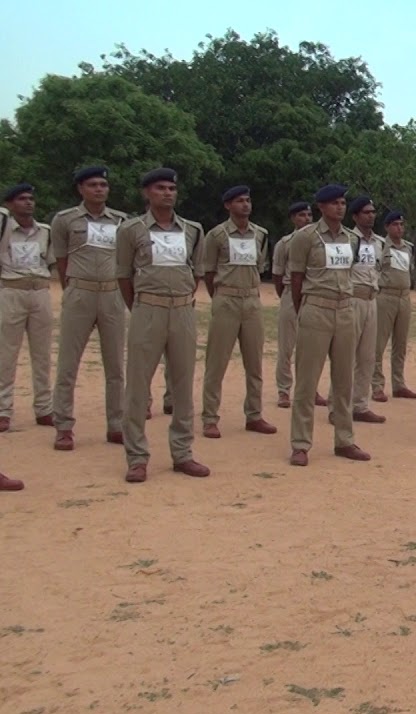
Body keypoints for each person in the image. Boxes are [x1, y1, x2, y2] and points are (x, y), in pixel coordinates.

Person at [116, 168, 209, 483]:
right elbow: (123, 275)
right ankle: (137, 457)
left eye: (172, 188)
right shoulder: (131, 230)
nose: (167, 193)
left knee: (183, 384)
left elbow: (196, 271)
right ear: (146, 193)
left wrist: (182, 298)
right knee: (138, 386)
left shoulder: (193, 229)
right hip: (147, 309)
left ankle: (183, 454)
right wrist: (141, 306)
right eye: (160, 188)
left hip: (182, 310)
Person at [287, 184, 372, 466]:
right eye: (334, 203)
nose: (340, 207)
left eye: (343, 203)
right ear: (321, 207)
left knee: (344, 380)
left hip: (346, 308)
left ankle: (345, 440)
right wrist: (304, 310)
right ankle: (300, 444)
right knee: (307, 381)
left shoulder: (352, 238)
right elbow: (297, 277)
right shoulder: (306, 237)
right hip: (316, 308)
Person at [51, 166, 130, 450]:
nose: (99, 189)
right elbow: (61, 260)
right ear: (80, 189)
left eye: (103, 185)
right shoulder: (65, 220)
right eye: (93, 185)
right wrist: (73, 288)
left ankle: (116, 424)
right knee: (68, 363)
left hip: (111, 293)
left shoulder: (121, 221)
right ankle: (63, 426)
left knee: (116, 365)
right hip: (80, 292)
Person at [199, 185, 276, 439]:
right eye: (240, 201)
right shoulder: (216, 235)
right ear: (228, 205)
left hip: (252, 300)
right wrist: (220, 296)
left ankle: (254, 415)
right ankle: (210, 417)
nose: (245, 205)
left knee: (254, 363)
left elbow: (259, 265)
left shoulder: (260, 234)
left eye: (248, 200)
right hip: (226, 299)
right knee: (216, 363)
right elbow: (209, 271)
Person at [0, 183, 55, 434]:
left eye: (31, 198)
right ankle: (3, 410)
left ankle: (44, 408)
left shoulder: (45, 231)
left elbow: (51, 262)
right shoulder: (4, 229)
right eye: (22, 199)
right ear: (10, 204)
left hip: (40, 291)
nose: (28, 203)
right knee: (6, 353)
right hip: (12, 290)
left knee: (42, 354)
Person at [272, 201, 328, 410]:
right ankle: (284, 390)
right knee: (286, 346)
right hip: (289, 293)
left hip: (311, 294)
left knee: (311, 347)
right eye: (302, 215)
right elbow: (277, 275)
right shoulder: (284, 243)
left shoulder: (318, 241)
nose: (307, 219)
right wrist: (287, 296)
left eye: (309, 215)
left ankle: (310, 389)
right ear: (293, 218)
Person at [373, 210, 416, 402]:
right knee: (378, 344)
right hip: (386, 296)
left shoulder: (408, 248)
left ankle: (399, 384)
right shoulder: (380, 246)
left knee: (400, 344)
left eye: (401, 224)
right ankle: (376, 385)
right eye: (395, 225)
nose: (399, 228)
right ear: (387, 227)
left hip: (404, 297)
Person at [348, 196, 386, 424]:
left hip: (372, 299)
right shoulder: (349, 239)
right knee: (346, 355)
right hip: (353, 298)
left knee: (367, 356)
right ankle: (337, 405)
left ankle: (360, 405)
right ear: (355, 216)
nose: (371, 216)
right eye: (366, 212)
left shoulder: (379, 242)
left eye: (373, 212)